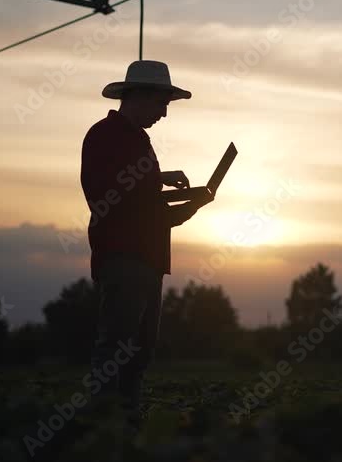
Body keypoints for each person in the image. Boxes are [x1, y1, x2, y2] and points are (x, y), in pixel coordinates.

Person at [79, 60, 211, 431]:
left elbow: (137, 195)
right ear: (137, 97)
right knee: (117, 344)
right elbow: (114, 198)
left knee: (139, 349)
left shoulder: (134, 140)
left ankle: (125, 422)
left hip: (147, 259)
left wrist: (163, 185)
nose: (164, 113)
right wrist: (175, 203)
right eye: (161, 104)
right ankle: (104, 427)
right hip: (125, 257)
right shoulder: (106, 135)